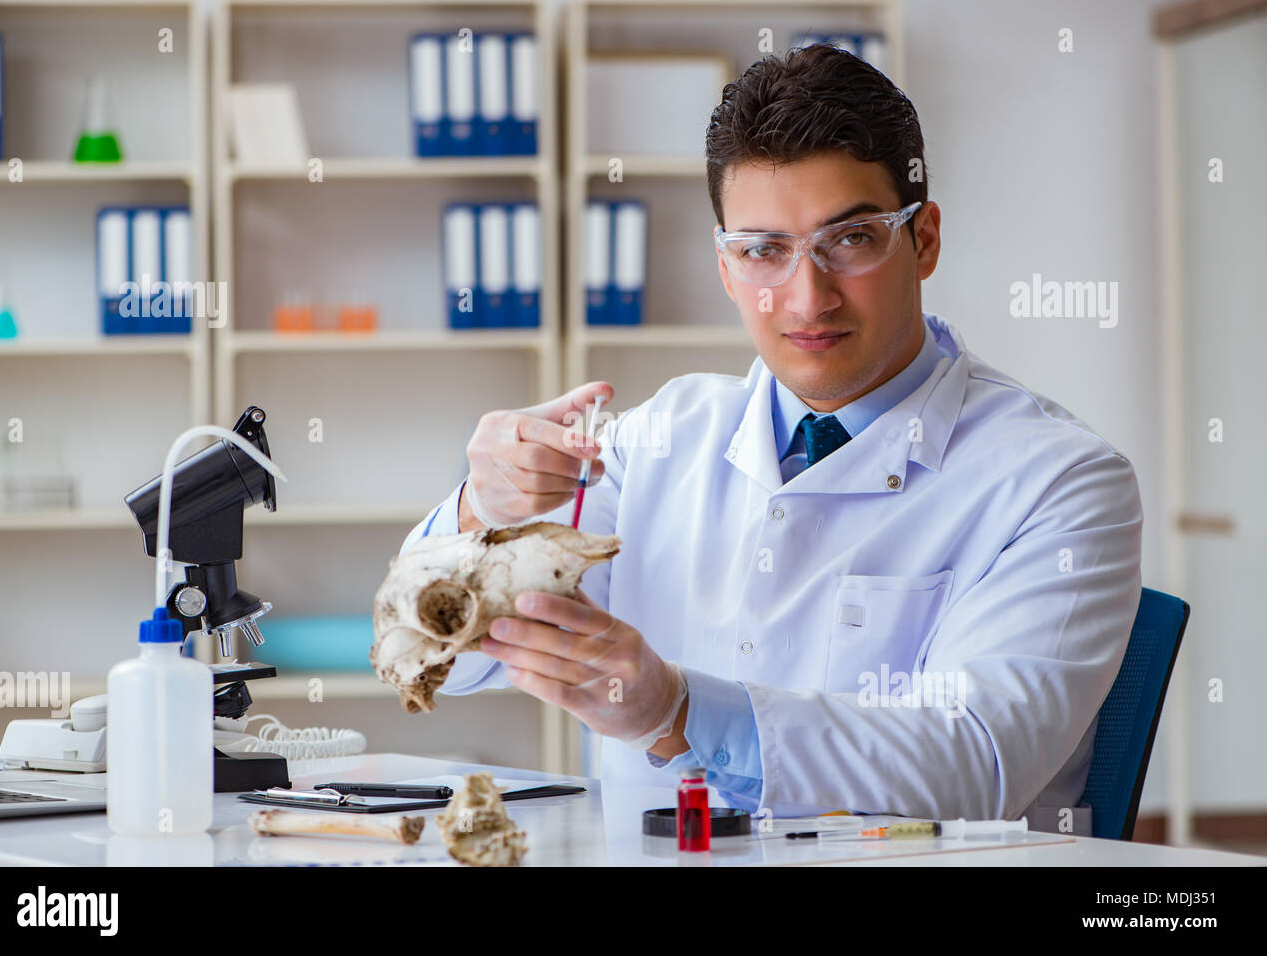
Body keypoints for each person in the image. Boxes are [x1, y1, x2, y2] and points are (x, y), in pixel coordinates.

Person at [397, 44, 1143, 822]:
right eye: (763, 251)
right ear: (727, 267)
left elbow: (977, 764)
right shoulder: (659, 438)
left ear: (922, 240)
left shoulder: (1061, 480)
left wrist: (679, 711)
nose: (806, 297)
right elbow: (436, 660)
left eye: (850, 240)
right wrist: (481, 511)